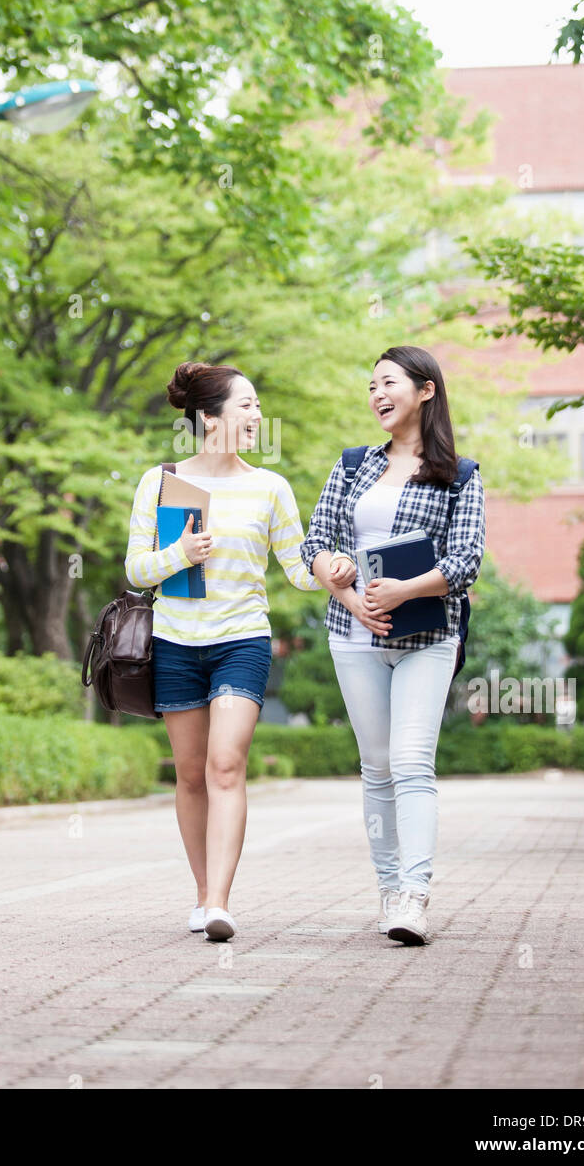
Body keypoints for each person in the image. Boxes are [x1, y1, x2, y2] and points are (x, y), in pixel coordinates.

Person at [124, 361, 354, 943]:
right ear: (209, 417)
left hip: (242, 641)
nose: (256, 414)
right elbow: (135, 569)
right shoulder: (163, 482)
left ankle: (222, 901)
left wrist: (335, 570)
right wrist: (179, 553)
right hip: (175, 642)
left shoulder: (269, 487)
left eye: (257, 404)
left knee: (226, 764)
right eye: (246, 404)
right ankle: (201, 895)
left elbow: (299, 569)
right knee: (191, 775)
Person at [300, 345, 486, 946]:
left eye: (388, 383)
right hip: (352, 635)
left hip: (429, 636)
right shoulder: (353, 465)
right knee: (376, 767)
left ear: (425, 390)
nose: (378, 395)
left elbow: (465, 561)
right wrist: (353, 598)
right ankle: (388, 891)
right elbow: (316, 543)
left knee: (411, 764)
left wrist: (403, 590)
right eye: (371, 386)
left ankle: (414, 893)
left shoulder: (460, 474)